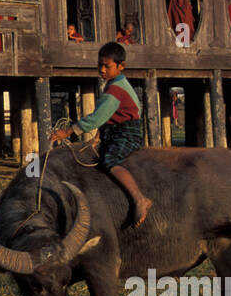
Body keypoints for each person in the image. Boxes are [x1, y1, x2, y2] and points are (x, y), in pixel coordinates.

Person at [50, 41, 153, 227]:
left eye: (107, 66)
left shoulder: (115, 89)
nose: (102, 70)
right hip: (115, 131)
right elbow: (109, 116)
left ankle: (139, 199)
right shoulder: (116, 83)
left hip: (126, 134)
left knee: (109, 161)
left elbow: (97, 118)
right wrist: (98, 137)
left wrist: (67, 131)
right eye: (100, 65)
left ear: (121, 66)